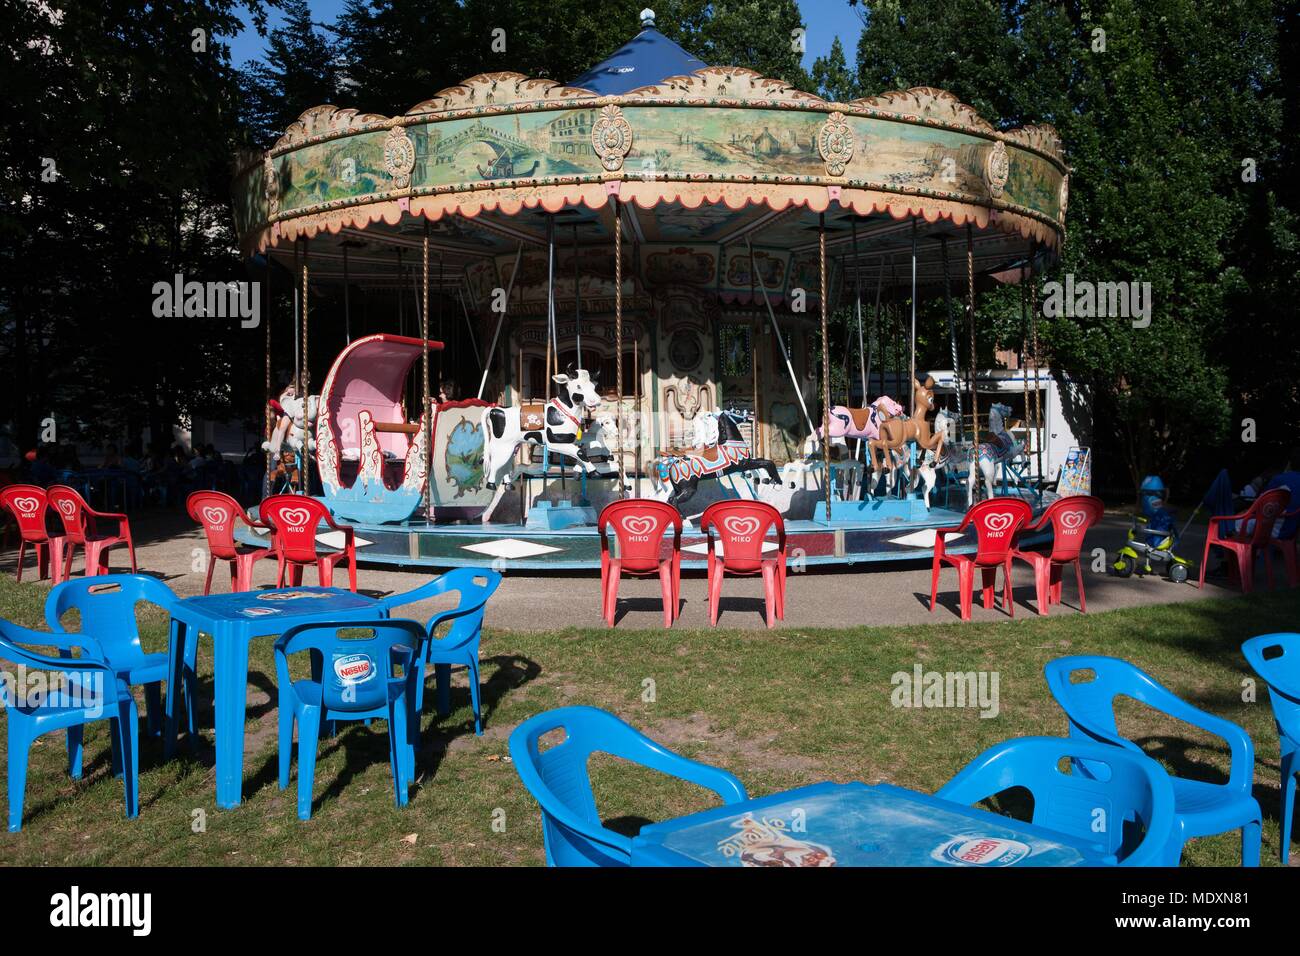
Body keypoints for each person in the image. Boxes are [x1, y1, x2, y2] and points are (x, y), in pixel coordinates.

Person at [1265, 447, 1300, 539]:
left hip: (1274, 529)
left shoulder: (1280, 479)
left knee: (1237, 524)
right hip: (1293, 531)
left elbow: (1261, 504)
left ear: (1290, 462)